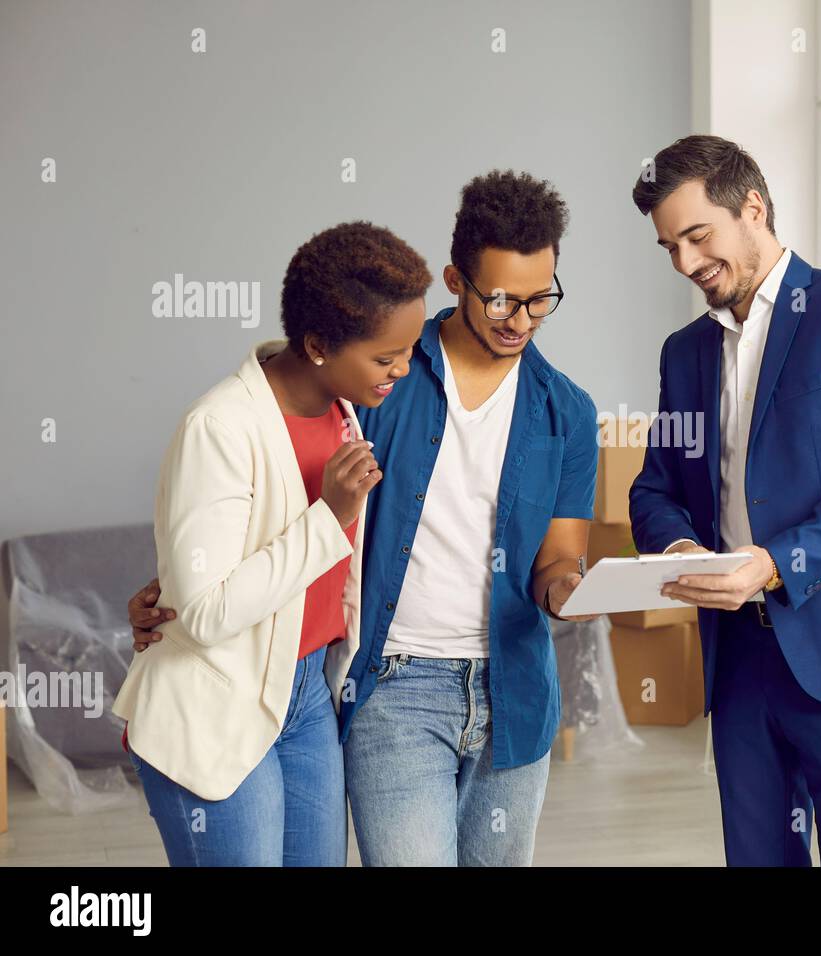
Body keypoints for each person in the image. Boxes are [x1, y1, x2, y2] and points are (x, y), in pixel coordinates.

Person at [129, 171, 599, 866]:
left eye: (540, 300)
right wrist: (173, 588)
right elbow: (263, 487)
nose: (519, 320)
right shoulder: (375, 385)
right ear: (456, 280)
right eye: (500, 298)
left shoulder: (567, 410)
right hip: (395, 687)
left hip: (513, 690)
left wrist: (569, 588)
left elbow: (559, 557)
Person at [627, 135, 821, 866]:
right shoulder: (684, 353)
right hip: (738, 654)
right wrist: (681, 548)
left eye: (697, 236)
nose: (685, 263)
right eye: (669, 246)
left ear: (753, 208)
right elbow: (655, 486)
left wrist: (773, 562)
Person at [114, 221, 431, 866]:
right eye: (384, 357)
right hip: (217, 703)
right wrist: (330, 515)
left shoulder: (344, 412)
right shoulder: (220, 426)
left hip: (307, 693)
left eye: (408, 350)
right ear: (317, 344)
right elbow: (203, 614)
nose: (401, 369)